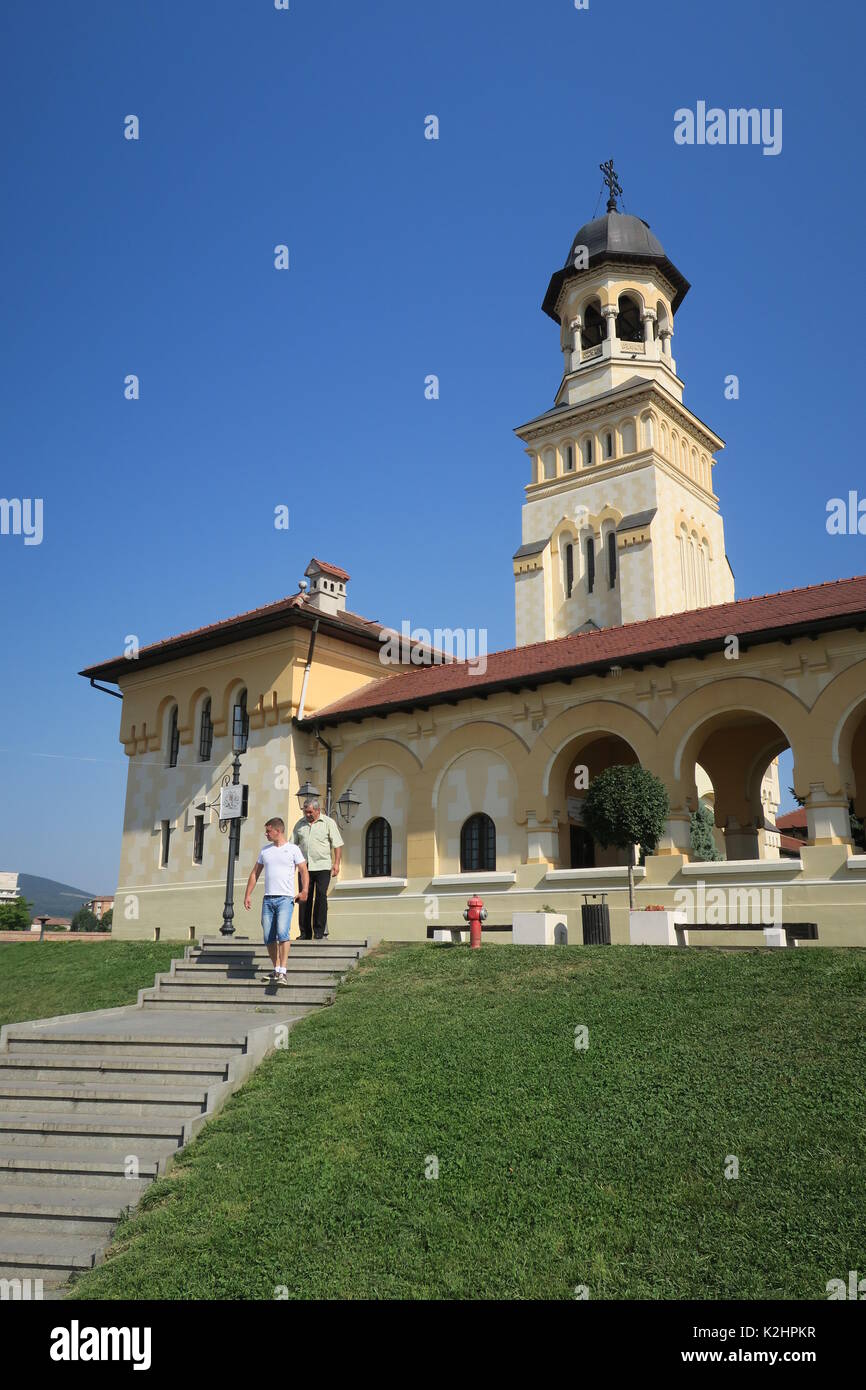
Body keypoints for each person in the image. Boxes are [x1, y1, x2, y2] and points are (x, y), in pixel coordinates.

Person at [243, 817, 309, 982]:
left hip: (285, 899)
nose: (266, 834)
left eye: (268, 831)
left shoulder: (293, 849)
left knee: (282, 933)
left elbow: (303, 870)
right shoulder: (265, 851)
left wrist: (304, 890)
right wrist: (248, 894)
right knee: (268, 936)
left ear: (278, 831)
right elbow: (255, 873)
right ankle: (276, 968)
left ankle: (283, 971)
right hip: (268, 899)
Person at [292, 798, 343, 939]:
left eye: (309, 812)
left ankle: (319, 932)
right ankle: (304, 933)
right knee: (304, 898)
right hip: (304, 867)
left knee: (321, 897)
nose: (307, 815)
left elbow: (337, 845)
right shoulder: (299, 824)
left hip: (323, 867)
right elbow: (292, 845)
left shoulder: (328, 823)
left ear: (317, 810)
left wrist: (337, 864)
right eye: (305, 812)